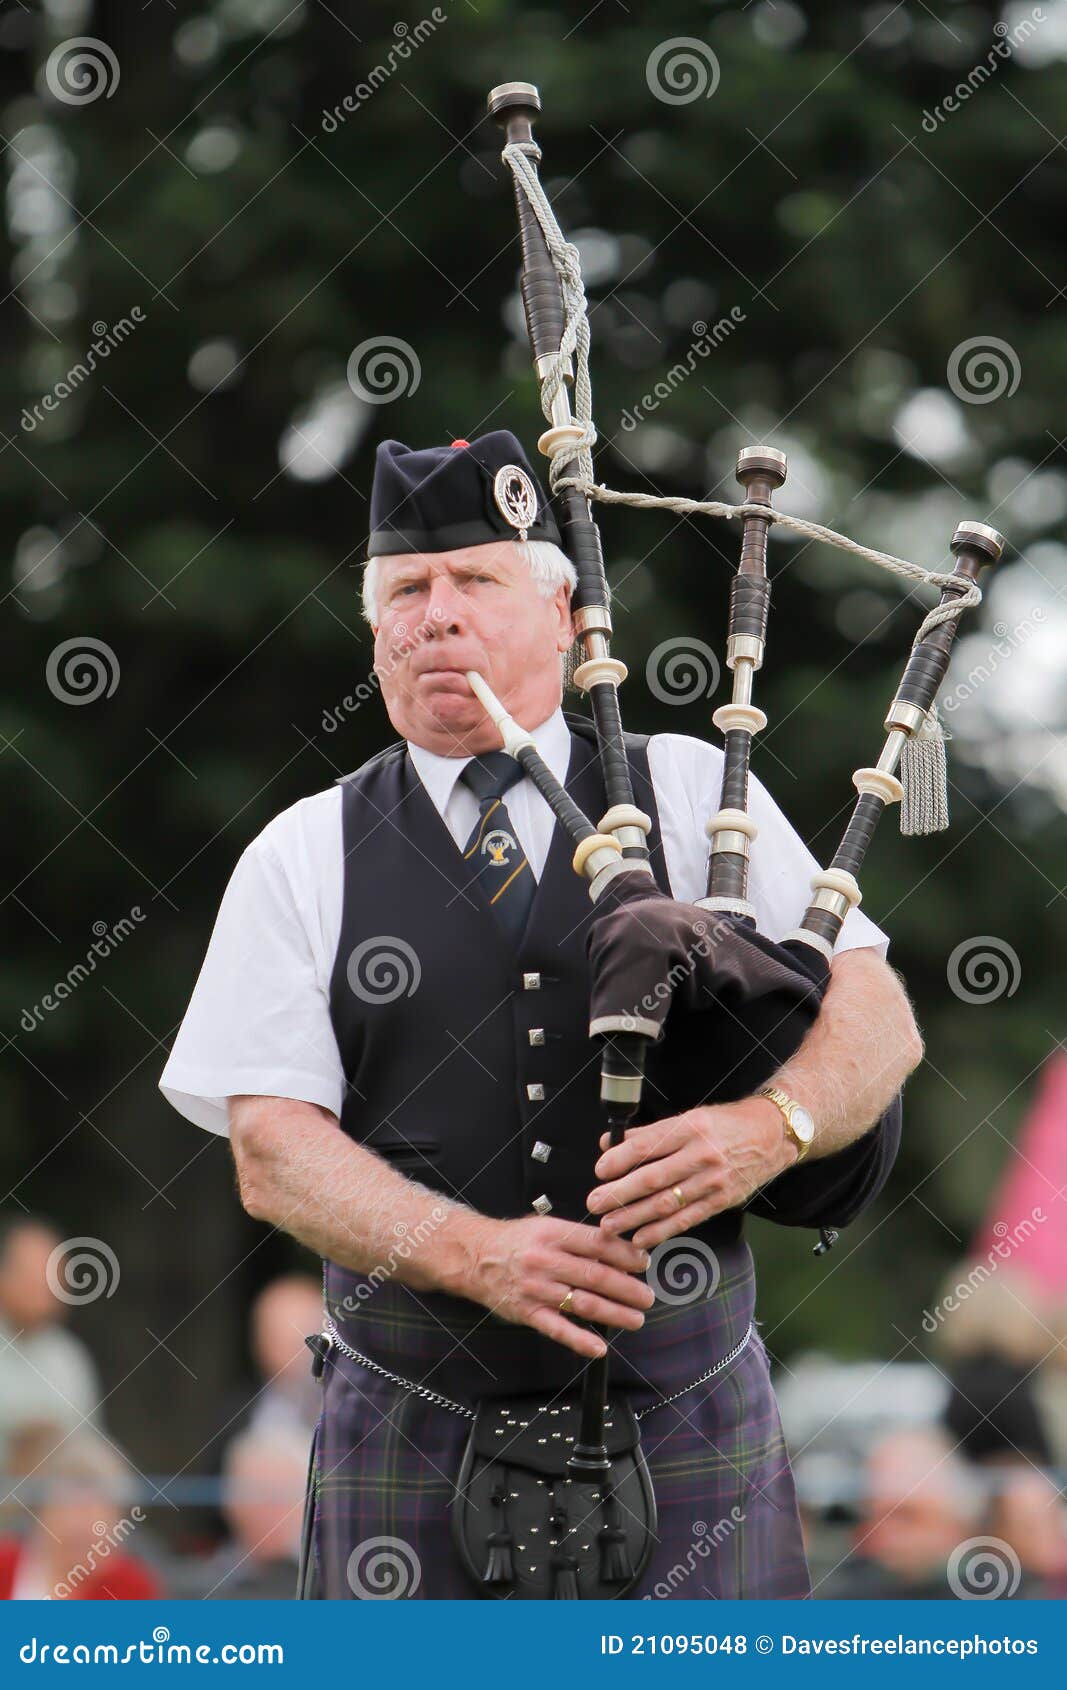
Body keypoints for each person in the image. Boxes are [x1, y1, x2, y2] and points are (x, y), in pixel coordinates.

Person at [159, 430, 921, 1599]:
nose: (438, 612)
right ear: (375, 635)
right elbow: (271, 1152)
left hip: (684, 1408)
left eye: (476, 578)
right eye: (407, 589)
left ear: (564, 617)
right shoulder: (302, 852)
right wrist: (474, 1256)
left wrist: (772, 1125)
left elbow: (876, 1016)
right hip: (411, 1426)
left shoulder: (690, 792)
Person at [0, 1215, 103, 1482]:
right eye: (33, 1276)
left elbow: (89, 1452)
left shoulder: (69, 1356)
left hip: (56, 1512)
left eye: (55, 1274)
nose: (47, 1287)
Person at [0, 1434, 159, 1600]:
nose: (79, 1527)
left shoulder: (131, 1588)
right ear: (41, 1515)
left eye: (94, 1516)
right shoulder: (4, 1566)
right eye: (68, 1512)